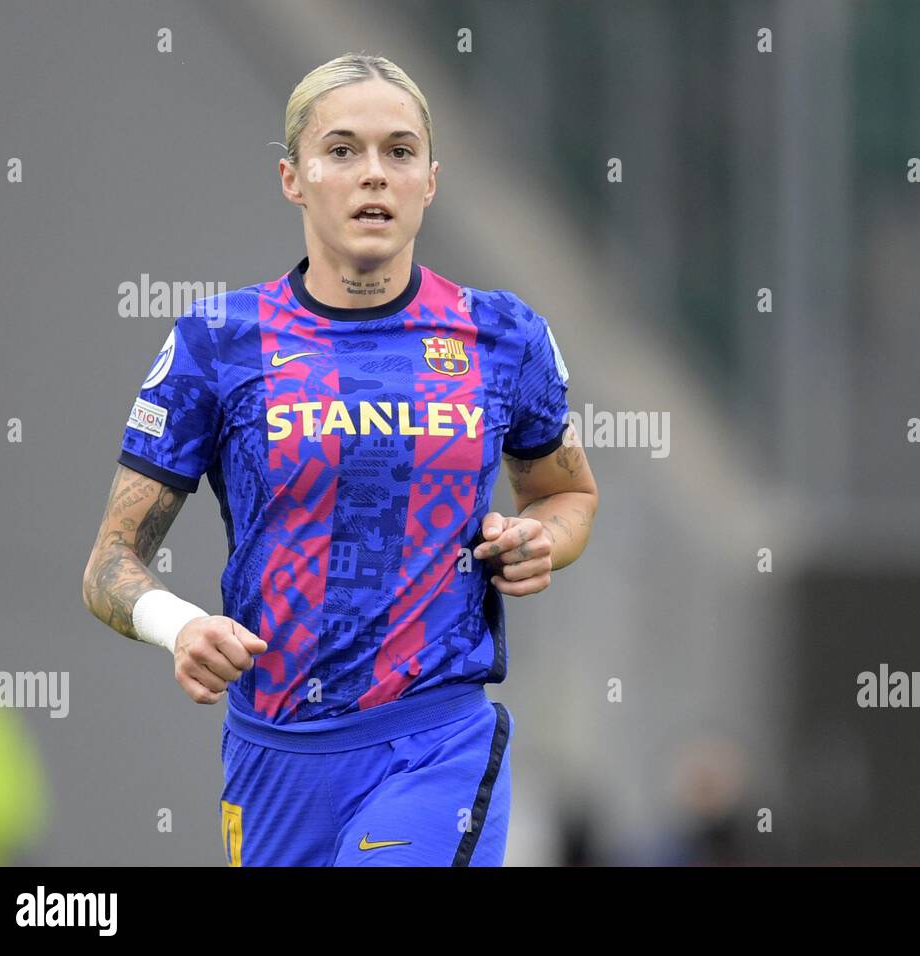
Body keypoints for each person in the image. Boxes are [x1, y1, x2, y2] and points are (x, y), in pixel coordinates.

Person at [81, 52, 598, 866]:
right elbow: (109, 565)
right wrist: (181, 628)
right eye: (343, 151)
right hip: (272, 752)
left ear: (431, 179)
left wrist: (542, 541)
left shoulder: (503, 338)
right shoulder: (218, 343)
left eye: (399, 152)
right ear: (294, 177)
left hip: (430, 742)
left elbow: (566, 497)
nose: (374, 177)